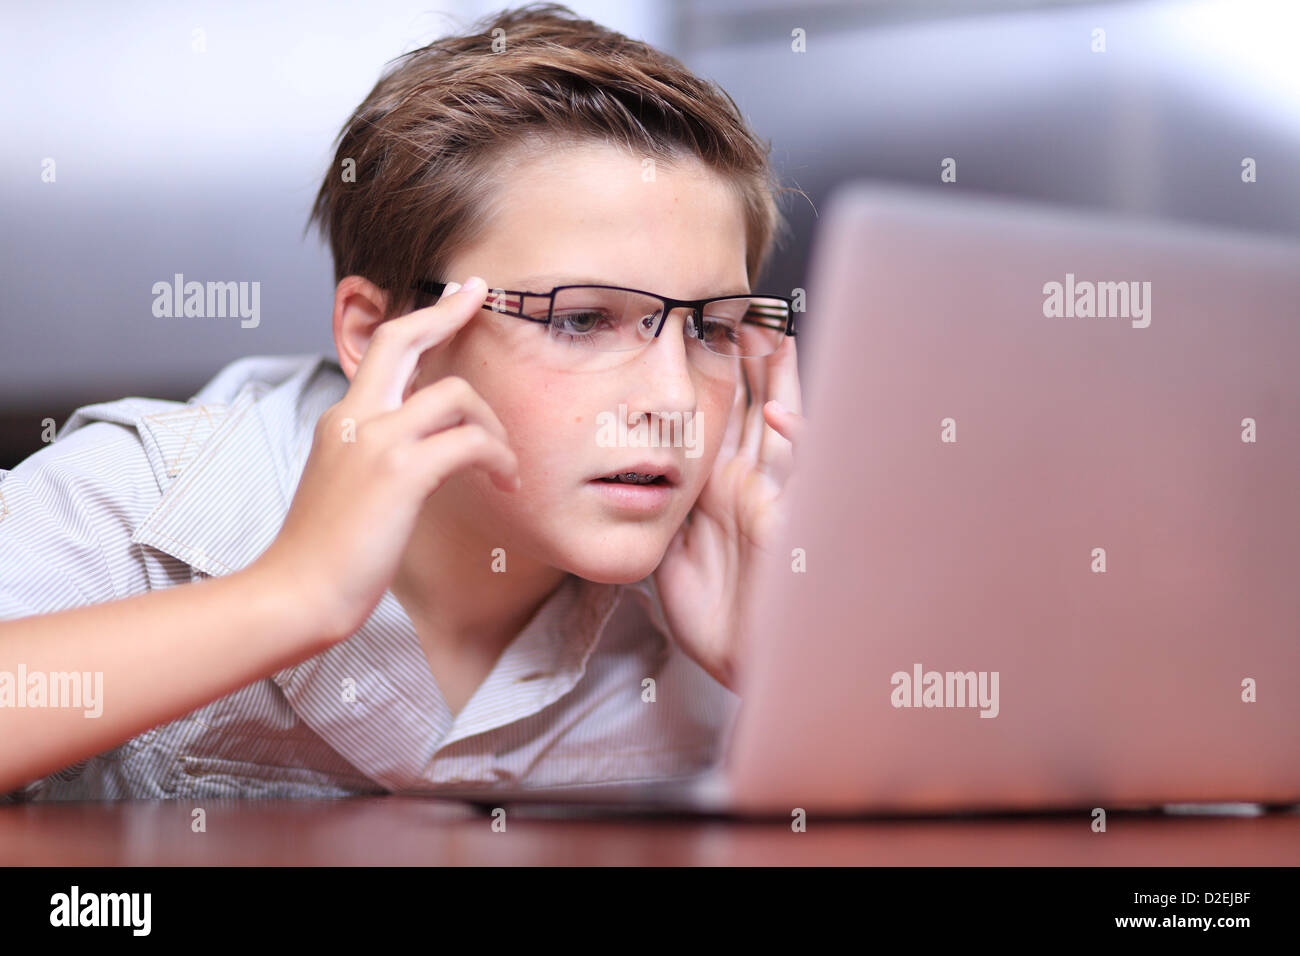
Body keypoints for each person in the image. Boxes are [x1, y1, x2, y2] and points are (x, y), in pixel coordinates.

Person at [0, 2, 804, 800]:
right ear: (379, 332)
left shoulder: (742, 590)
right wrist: (291, 596)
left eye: (713, 331)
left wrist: (785, 681)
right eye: (581, 319)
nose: (672, 401)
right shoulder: (129, 508)